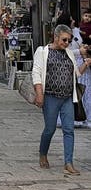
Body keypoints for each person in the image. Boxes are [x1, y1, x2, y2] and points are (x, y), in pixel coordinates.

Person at [33, 23, 91, 175]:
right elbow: (36, 73)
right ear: (56, 37)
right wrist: (39, 94)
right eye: (64, 40)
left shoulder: (69, 53)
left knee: (69, 129)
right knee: (50, 129)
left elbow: (76, 74)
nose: (66, 43)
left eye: (69, 41)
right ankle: (43, 153)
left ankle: (68, 163)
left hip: (67, 97)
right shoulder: (43, 51)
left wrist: (85, 64)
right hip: (50, 96)